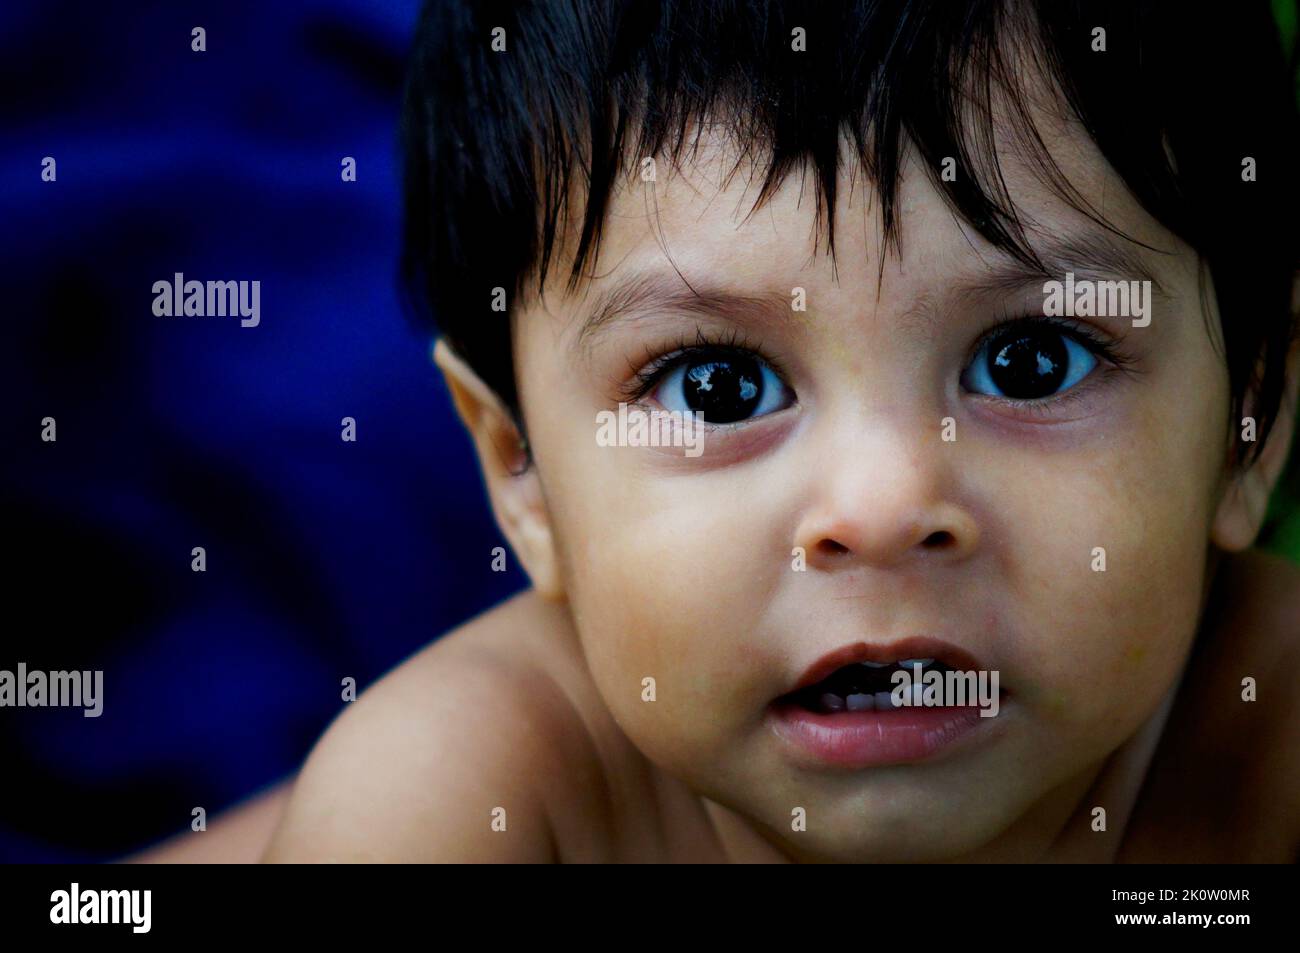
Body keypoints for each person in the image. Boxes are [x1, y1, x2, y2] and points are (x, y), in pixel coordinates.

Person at [261, 0, 1300, 862]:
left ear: (1247, 423)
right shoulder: (462, 801)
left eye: (1029, 361)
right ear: (517, 467)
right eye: (717, 386)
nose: (882, 507)